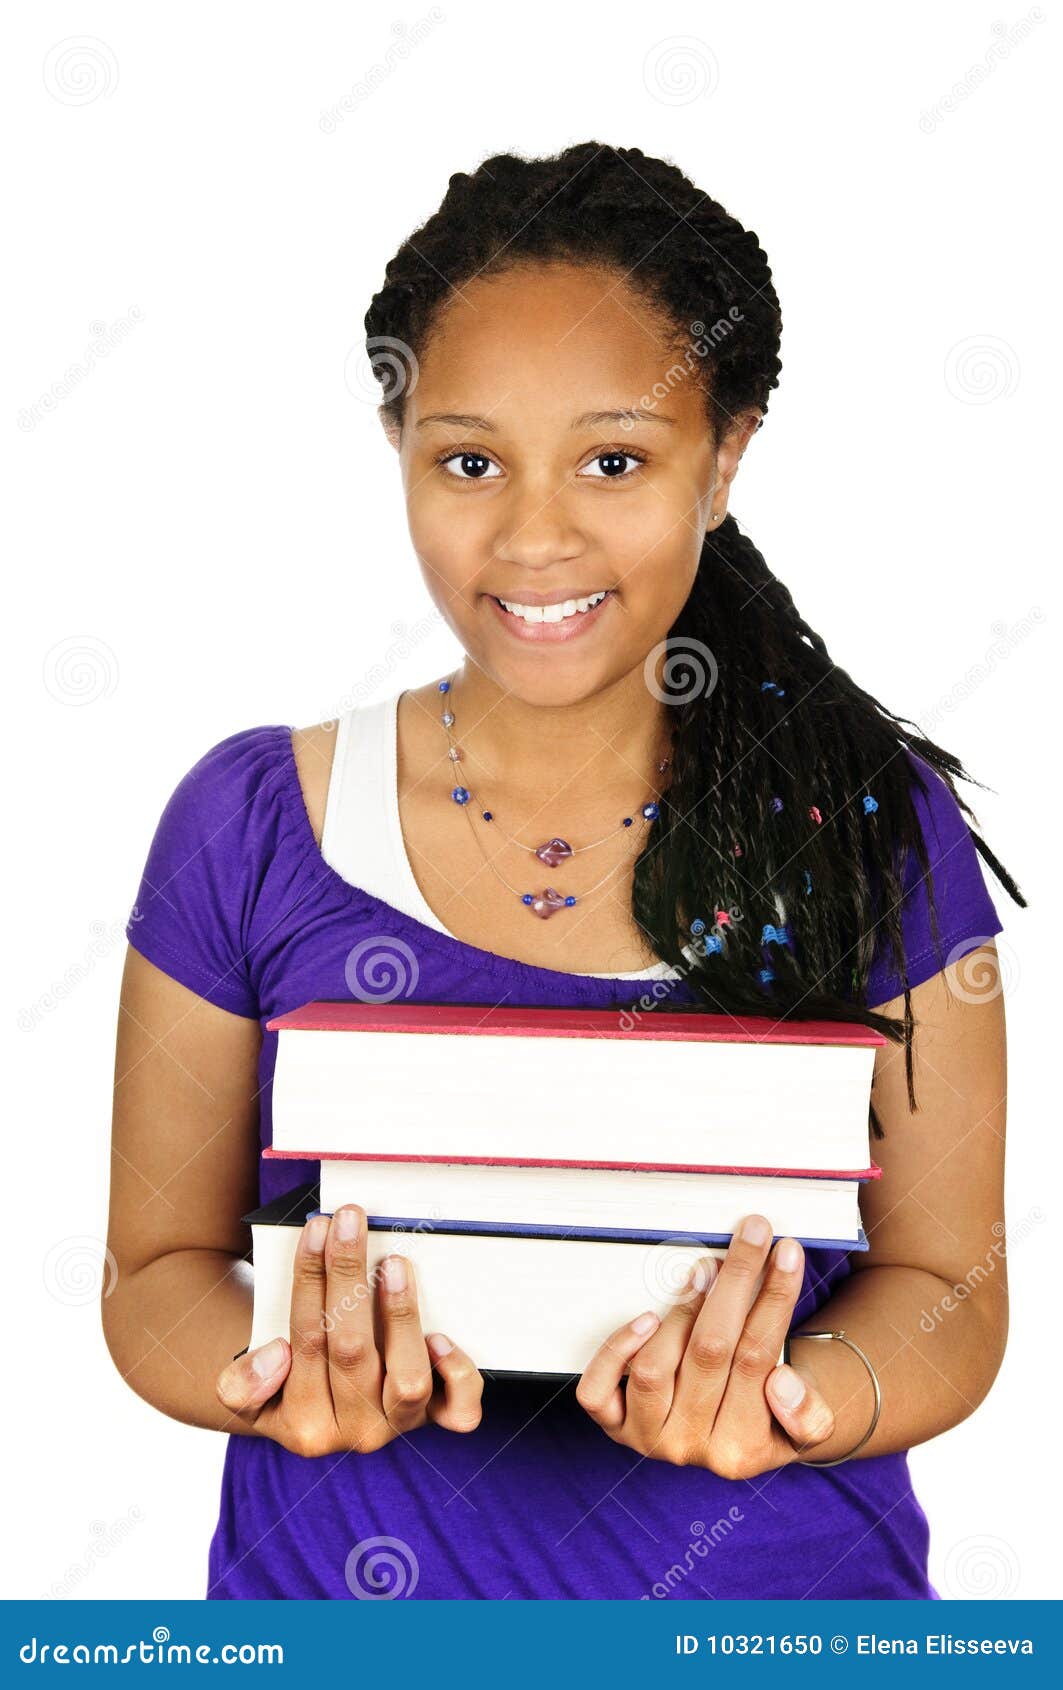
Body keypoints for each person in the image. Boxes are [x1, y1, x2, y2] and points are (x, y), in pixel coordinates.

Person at [102, 141, 1024, 1600]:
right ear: (400, 449)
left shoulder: (865, 822)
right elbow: (154, 1270)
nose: (535, 536)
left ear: (725, 457)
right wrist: (271, 1367)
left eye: (615, 460)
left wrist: (799, 1400)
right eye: (470, 461)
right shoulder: (253, 821)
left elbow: (952, 1292)